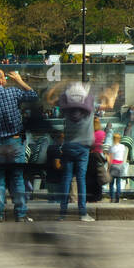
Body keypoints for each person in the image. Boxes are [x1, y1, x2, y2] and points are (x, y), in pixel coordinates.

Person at [0, 69, 38, 222]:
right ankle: (20, 213)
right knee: (17, 178)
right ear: (2, 81)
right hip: (15, 141)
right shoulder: (13, 93)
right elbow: (33, 96)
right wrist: (19, 80)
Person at [55, 82, 96, 221]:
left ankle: (62, 213)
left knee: (66, 179)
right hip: (83, 147)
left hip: (68, 145)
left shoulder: (66, 109)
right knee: (81, 180)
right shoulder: (89, 107)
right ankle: (82, 213)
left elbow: (60, 100)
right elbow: (92, 99)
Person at [107, 132, 128, 202]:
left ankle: (112, 198)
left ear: (113, 139)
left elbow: (110, 159)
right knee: (118, 183)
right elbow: (123, 156)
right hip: (120, 166)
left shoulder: (111, 148)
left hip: (113, 166)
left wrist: (108, 168)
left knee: (111, 183)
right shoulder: (123, 146)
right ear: (119, 139)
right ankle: (118, 198)